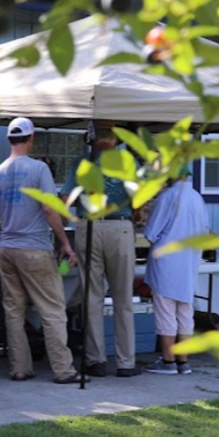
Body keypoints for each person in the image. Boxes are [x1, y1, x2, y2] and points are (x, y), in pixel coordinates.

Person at [0, 117, 84, 384]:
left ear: (8, 140)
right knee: (52, 309)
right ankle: (63, 369)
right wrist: (64, 242)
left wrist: (8, 223)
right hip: (35, 247)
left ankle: (19, 368)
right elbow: (50, 208)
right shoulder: (39, 169)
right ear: (31, 139)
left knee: (13, 311)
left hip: (7, 249)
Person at [60, 123, 141, 378]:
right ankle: (126, 362)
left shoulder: (83, 162)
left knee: (92, 296)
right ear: (115, 140)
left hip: (90, 226)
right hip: (120, 228)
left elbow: (65, 200)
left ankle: (96, 360)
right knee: (123, 298)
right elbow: (139, 203)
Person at [141, 167, 209, 375]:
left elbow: (151, 232)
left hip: (167, 259)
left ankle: (168, 360)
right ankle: (183, 361)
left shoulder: (167, 197)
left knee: (165, 310)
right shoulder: (197, 198)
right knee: (185, 310)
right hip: (190, 259)